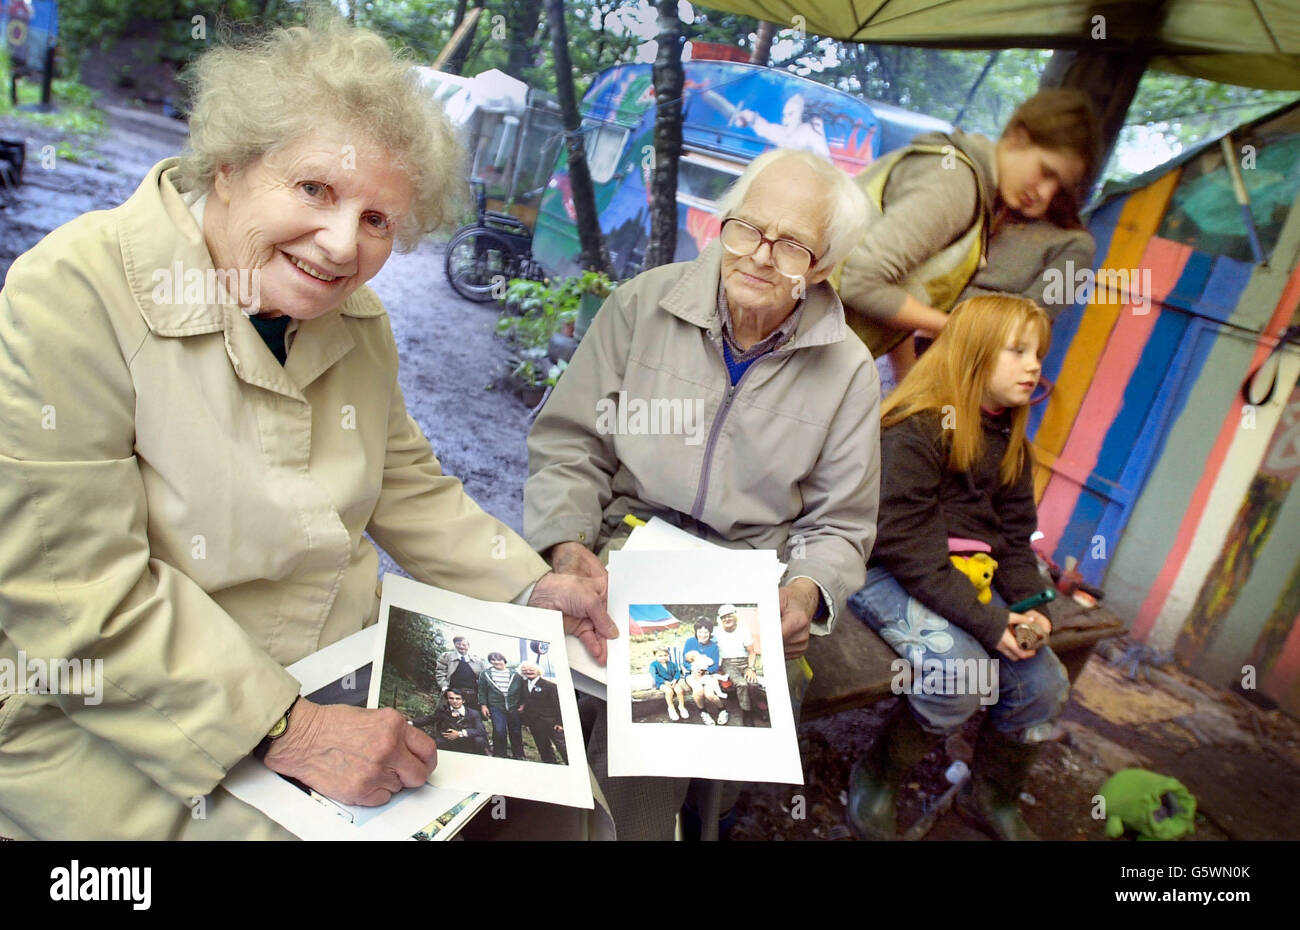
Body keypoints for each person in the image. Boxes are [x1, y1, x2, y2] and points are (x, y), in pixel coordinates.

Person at [0, 19, 615, 841]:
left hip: (333, 660)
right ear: (230, 165)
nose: (340, 246)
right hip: (123, 711)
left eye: (378, 221)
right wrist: (292, 728)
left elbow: (408, 483)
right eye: (316, 190)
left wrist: (529, 584)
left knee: (557, 807)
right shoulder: (71, 295)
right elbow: (78, 597)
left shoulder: (355, 322)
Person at [525, 146, 880, 839]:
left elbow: (840, 525)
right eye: (747, 228)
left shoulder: (849, 372)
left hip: (743, 579)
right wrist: (568, 545)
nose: (757, 255)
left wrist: (805, 591)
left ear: (824, 268)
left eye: (793, 245)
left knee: (655, 724)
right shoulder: (641, 306)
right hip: (619, 543)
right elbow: (570, 444)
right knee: (538, 693)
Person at [845, 295, 1069, 842]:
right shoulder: (916, 428)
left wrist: (1030, 609)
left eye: (1037, 352)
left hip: (965, 580)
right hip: (885, 573)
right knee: (960, 675)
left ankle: (990, 795)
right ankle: (878, 775)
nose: (1034, 365)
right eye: (1017, 351)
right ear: (972, 354)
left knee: (1045, 684)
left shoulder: (1012, 442)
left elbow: (1015, 541)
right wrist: (992, 626)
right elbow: (906, 548)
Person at [835, 89, 1101, 381]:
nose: (1045, 194)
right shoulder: (957, 182)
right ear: (1017, 138)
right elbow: (860, 280)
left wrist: (906, 376)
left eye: (1060, 187)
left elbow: (902, 288)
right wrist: (953, 328)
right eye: (1046, 172)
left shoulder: (973, 186)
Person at [713, 604, 759, 726]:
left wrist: (751, 668)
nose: (727, 619)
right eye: (723, 617)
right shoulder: (716, 632)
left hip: (745, 662)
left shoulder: (743, 630)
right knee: (742, 684)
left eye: (729, 616)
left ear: (735, 616)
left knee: (753, 684)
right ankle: (747, 713)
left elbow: (751, 652)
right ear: (720, 619)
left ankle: (756, 708)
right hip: (728, 663)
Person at [512, 664, 566, 765]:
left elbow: (558, 705)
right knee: (543, 747)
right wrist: (522, 705)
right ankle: (551, 765)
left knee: (562, 747)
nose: (529, 672)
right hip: (534, 723)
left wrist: (560, 723)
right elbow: (525, 698)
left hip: (551, 723)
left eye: (531, 669)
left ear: (538, 671)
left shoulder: (550, 686)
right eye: (526, 670)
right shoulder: (523, 684)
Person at [478, 652, 525, 758]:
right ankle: (500, 753)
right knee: (499, 730)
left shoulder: (515, 674)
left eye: (499, 659)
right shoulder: (485, 674)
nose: (496, 662)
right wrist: (483, 705)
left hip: (513, 707)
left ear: (504, 660)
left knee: (516, 731)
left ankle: (519, 754)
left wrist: (522, 704)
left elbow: (522, 690)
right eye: (493, 660)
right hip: (496, 706)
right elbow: (482, 691)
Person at [413, 689, 488, 755]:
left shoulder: (474, 713)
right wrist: (411, 723)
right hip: (449, 741)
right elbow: (429, 719)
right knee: (438, 742)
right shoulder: (443, 711)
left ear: (463, 700)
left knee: (479, 741)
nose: (454, 701)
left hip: (468, 741)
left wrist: (459, 734)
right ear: (447, 699)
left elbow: (480, 730)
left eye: (458, 699)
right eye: (451, 698)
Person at [683, 651, 726, 725]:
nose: (702, 638)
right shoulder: (690, 642)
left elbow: (714, 664)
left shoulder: (713, 646)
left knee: (709, 694)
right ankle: (703, 712)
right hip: (693, 675)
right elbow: (685, 662)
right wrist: (693, 669)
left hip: (708, 674)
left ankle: (722, 710)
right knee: (698, 690)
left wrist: (706, 671)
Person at [649, 646, 689, 721]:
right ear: (655, 656)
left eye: (665, 655)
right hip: (661, 683)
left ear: (668, 655)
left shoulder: (671, 664)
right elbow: (655, 675)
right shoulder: (653, 665)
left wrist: (675, 680)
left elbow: (677, 672)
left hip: (672, 681)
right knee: (669, 691)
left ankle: (682, 706)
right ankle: (671, 708)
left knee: (679, 690)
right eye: (660, 656)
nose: (663, 657)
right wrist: (664, 682)